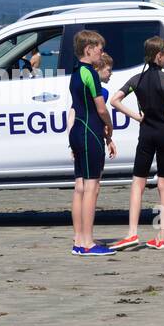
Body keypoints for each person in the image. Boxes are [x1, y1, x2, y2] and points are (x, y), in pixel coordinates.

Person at [110, 37, 164, 251]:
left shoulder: (136, 79)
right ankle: (160, 237)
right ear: (158, 56)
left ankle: (132, 233)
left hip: (146, 134)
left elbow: (114, 100)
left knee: (138, 183)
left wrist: (136, 117)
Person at [67, 30, 115, 256]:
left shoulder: (75, 72)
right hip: (90, 132)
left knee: (80, 187)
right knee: (91, 187)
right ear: (88, 49)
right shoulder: (89, 73)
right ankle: (87, 242)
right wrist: (110, 127)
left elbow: (75, 106)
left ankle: (78, 238)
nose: (101, 52)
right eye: (99, 48)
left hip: (77, 131)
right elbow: (101, 108)